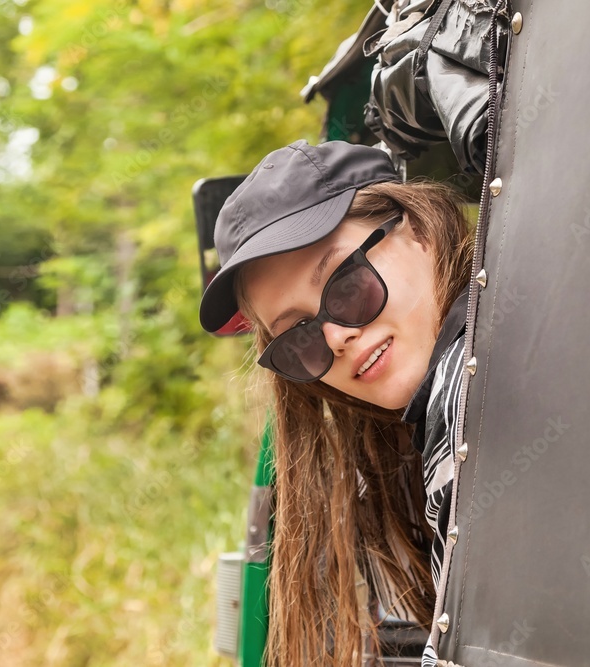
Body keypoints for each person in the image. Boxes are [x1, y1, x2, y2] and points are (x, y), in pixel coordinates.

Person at [199, 139, 475, 666]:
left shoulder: (477, 395)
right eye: (298, 335)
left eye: (345, 284)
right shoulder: (411, 446)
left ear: (418, 229)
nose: (335, 337)